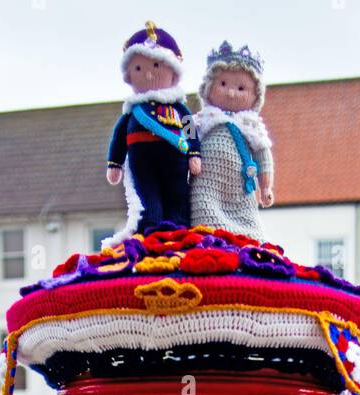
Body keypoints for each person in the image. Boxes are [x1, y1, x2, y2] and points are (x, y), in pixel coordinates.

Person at [106, 22, 201, 238]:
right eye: (139, 68)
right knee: (147, 196)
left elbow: (189, 127)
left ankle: (179, 227)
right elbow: (119, 137)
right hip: (142, 164)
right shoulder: (132, 111)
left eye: (156, 66)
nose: (148, 74)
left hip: (175, 162)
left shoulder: (178, 107)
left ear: (173, 74)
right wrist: (115, 163)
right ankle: (152, 229)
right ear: (129, 75)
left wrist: (194, 152)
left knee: (177, 193)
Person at [190, 41, 273, 238]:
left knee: (250, 224)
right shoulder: (199, 119)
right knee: (204, 216)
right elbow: (186, 138)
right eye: (223, 84)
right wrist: (190, 155)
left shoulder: (251, 125)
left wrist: (266, 186)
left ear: (255, 96)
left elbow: (263, 155)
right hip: (206, 185)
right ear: (208, 88)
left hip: (240, 191)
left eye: (241, 88)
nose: (231, 92)